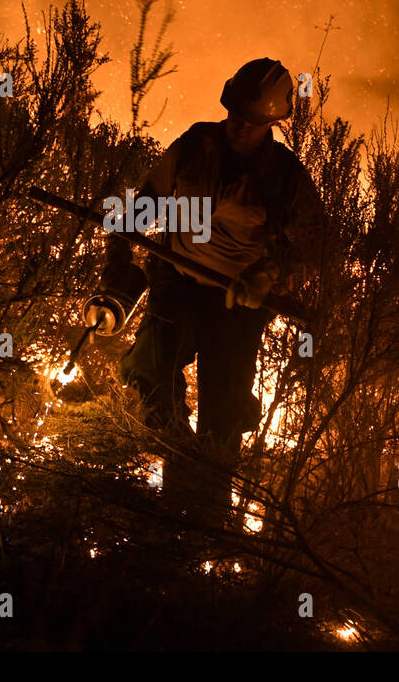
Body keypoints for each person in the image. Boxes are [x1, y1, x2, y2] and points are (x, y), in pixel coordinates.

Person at [88, 57, 325, 526]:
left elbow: (318, 246)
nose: (239, 125)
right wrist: (121, 247)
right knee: (151, 370)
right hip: (176, 282)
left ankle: (206, 520)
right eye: (235, 112)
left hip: (237, 304)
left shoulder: (285, 176)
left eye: (253, 120)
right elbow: (149, 201)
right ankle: (173, 468)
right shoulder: (196, 143)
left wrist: (269, 277)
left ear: (273, 121)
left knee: (224, 407)